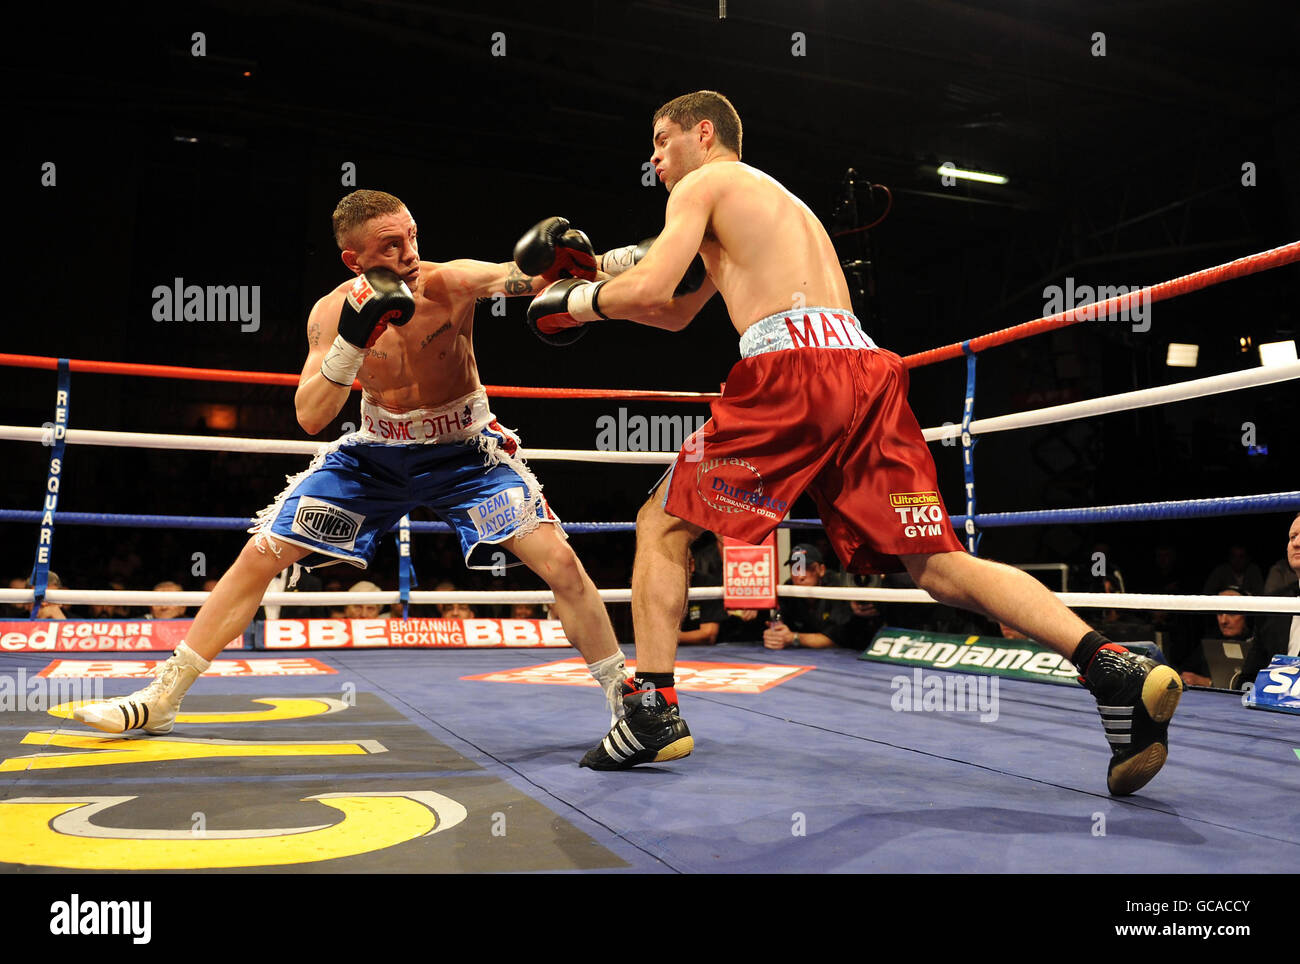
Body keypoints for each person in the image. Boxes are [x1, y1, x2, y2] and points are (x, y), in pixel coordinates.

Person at [526, 90, 1181, 795]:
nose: (652, 156)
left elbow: (653, 289)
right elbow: (679, 311)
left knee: (661, 523)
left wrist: (569, 305)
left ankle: (652, 707)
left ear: (704, 133)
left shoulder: (704, 182)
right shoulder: (773, 205)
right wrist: (591, 278)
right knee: (935, 564)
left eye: (661, 139)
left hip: (794, 371)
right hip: (866, 371)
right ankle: (1112, 666)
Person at [74, 189, 628, 736]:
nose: (409, 253)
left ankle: (627, 699)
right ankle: (164, 694)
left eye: (412, 236)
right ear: (354, 259)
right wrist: (354, 339)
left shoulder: (448, 282)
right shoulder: (332, 311)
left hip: (465, 452)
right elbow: (310, 416)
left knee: (559, 562)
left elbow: (534, 275)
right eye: (390, 246)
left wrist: (623, 261)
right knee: (261, 551)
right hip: (375, 456)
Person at [1234, 513, 1300, 687]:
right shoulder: (1273, 607)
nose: (1296, 543)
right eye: (1292, 536)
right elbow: (1248, 678)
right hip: (1269, 712)